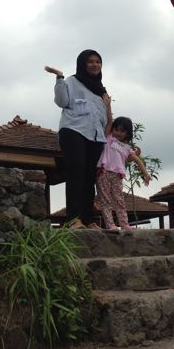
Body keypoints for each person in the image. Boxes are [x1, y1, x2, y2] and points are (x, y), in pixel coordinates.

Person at [45, 49, 111, 229]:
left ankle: (87, 219)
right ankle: (73, 218)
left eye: (98, 61)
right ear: (82, 63)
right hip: (73, 130)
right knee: (76, 172)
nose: (95, 64)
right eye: (91, 61)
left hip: (95, 136)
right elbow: (61, 101)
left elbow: (105, 120)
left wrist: (108, 106)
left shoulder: (101, 90)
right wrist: (59, 78)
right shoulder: (72, 81)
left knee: (90, 177)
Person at [96, 116, 151, 231]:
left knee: (119, 200)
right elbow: (109, 121)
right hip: (103, 172)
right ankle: (110, 225)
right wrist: (108, 105)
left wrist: (146, 174)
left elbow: (137, 160)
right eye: (116, 129)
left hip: (117, 176)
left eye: (122, 131)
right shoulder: (109, 138)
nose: (118, 133)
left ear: (127, 133)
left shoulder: (127, 148)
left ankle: (124, 224)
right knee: (105, 200)